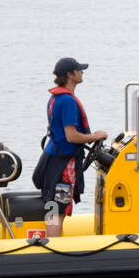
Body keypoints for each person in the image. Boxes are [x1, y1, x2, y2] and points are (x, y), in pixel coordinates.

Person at [32, 57, 108, 237]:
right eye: (79, 70)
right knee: (58, 209)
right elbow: (71, 136)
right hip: (63, 164)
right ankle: (54, 248)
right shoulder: (67, 101)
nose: (82, 72)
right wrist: (95, 136)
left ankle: (52, 243)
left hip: (54, 159)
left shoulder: (55, 98)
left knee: (55, 207)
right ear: (70, 75)